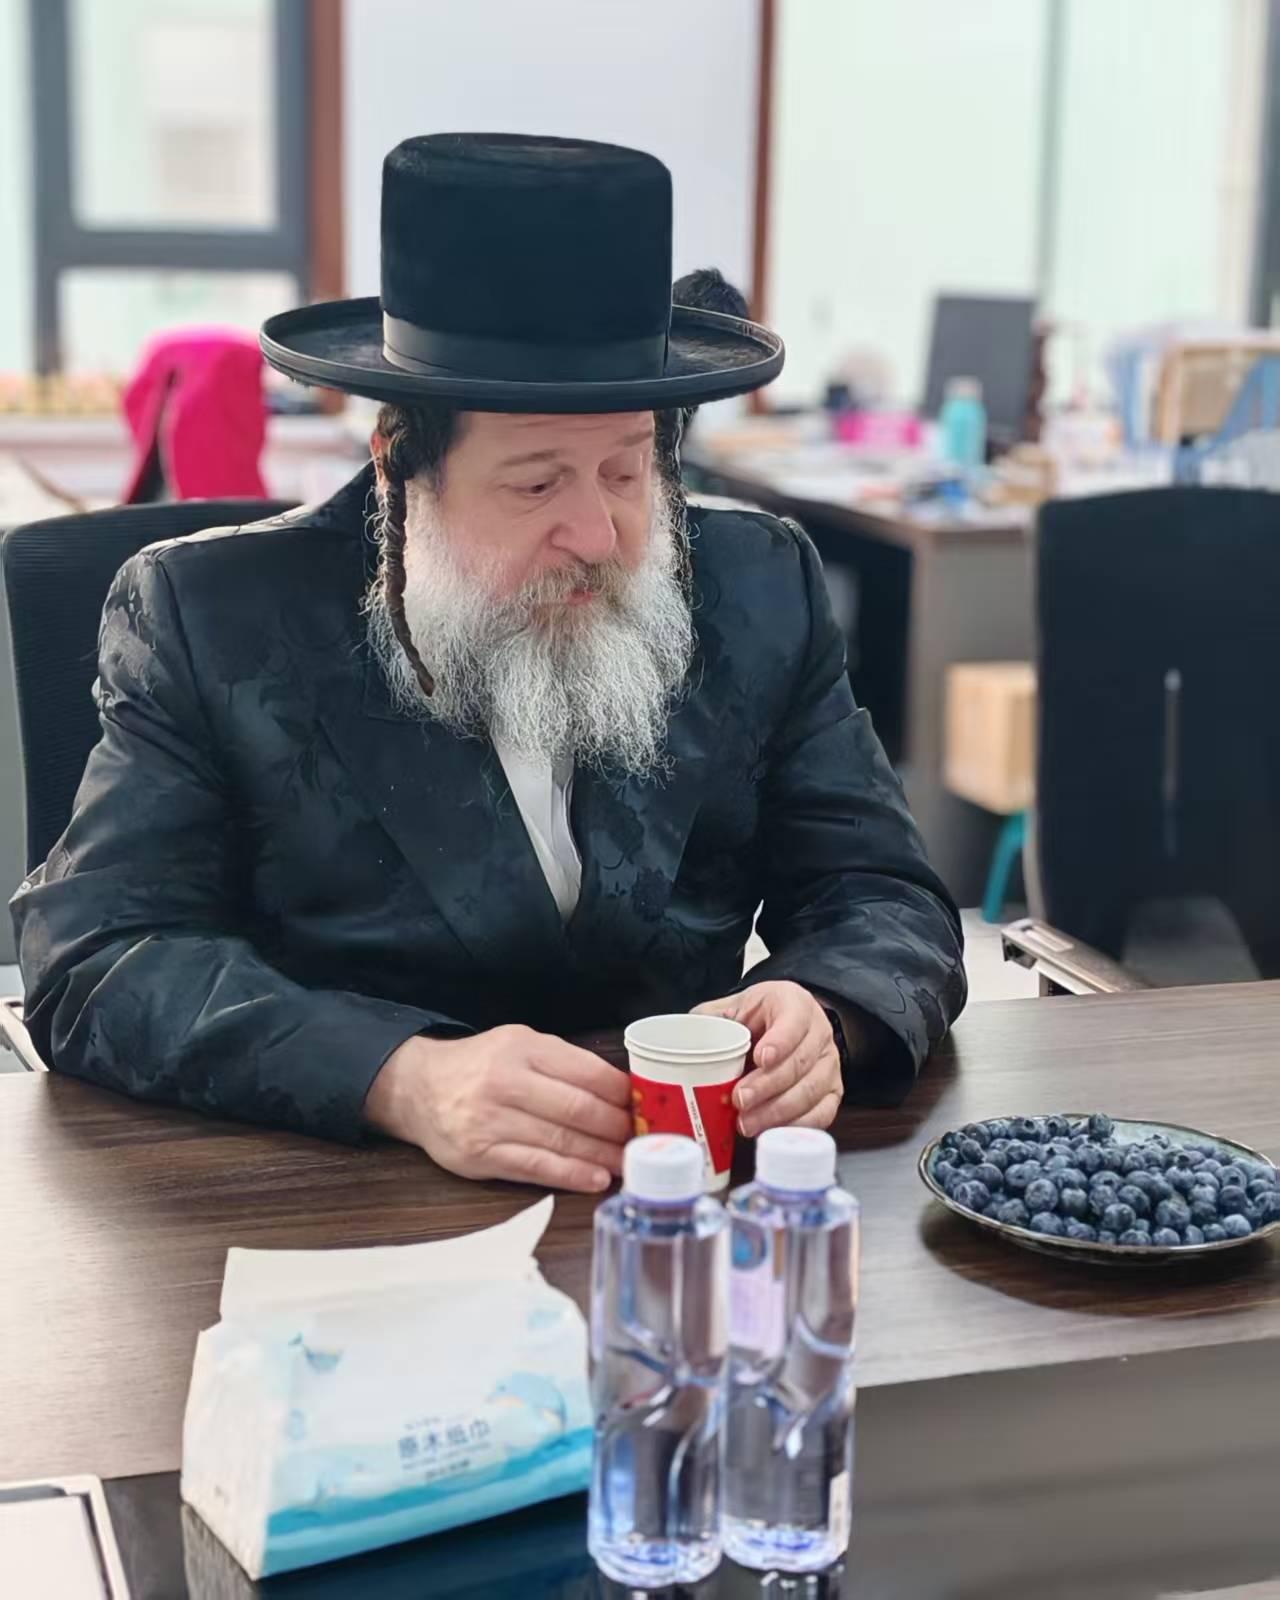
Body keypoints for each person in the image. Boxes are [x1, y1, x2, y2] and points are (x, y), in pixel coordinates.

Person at [12, 134, 965, 1192]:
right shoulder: (213, 616)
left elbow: (881, 890)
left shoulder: (756, 583)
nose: (597, 534)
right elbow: (98, 959)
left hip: (682, 1198)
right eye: (535, 485)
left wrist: (822, 1008)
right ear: (399, 468)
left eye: (627, 470)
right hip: (344, 1212)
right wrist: (398, 1077)